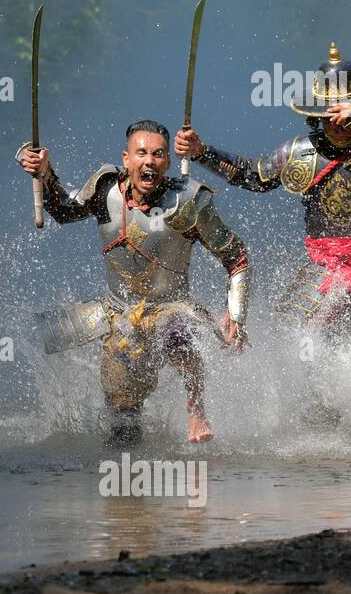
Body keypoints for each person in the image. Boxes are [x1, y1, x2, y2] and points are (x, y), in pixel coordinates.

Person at [174, 42, 351, 432]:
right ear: (318, 113)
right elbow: (252, 176)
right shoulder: (300, 152)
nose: (339, 122)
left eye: (347, 114)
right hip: (322, 269)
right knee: (306, 346)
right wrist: (203, 151)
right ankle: (321, 426)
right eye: (332, 115)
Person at [18, 120, 251, 444]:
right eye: (141, 153)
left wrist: (236, 316)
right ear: (126, 159)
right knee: (124, 423)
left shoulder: (187, 201)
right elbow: (64, 211)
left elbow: (236, 257)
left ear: (168, 163)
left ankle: (196, 409)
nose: (149, 161)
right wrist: (44, 172)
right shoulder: (104, 189)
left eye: (158, 154)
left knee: (179, 330)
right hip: (118, 313)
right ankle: (127, 479)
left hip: (172, 305)